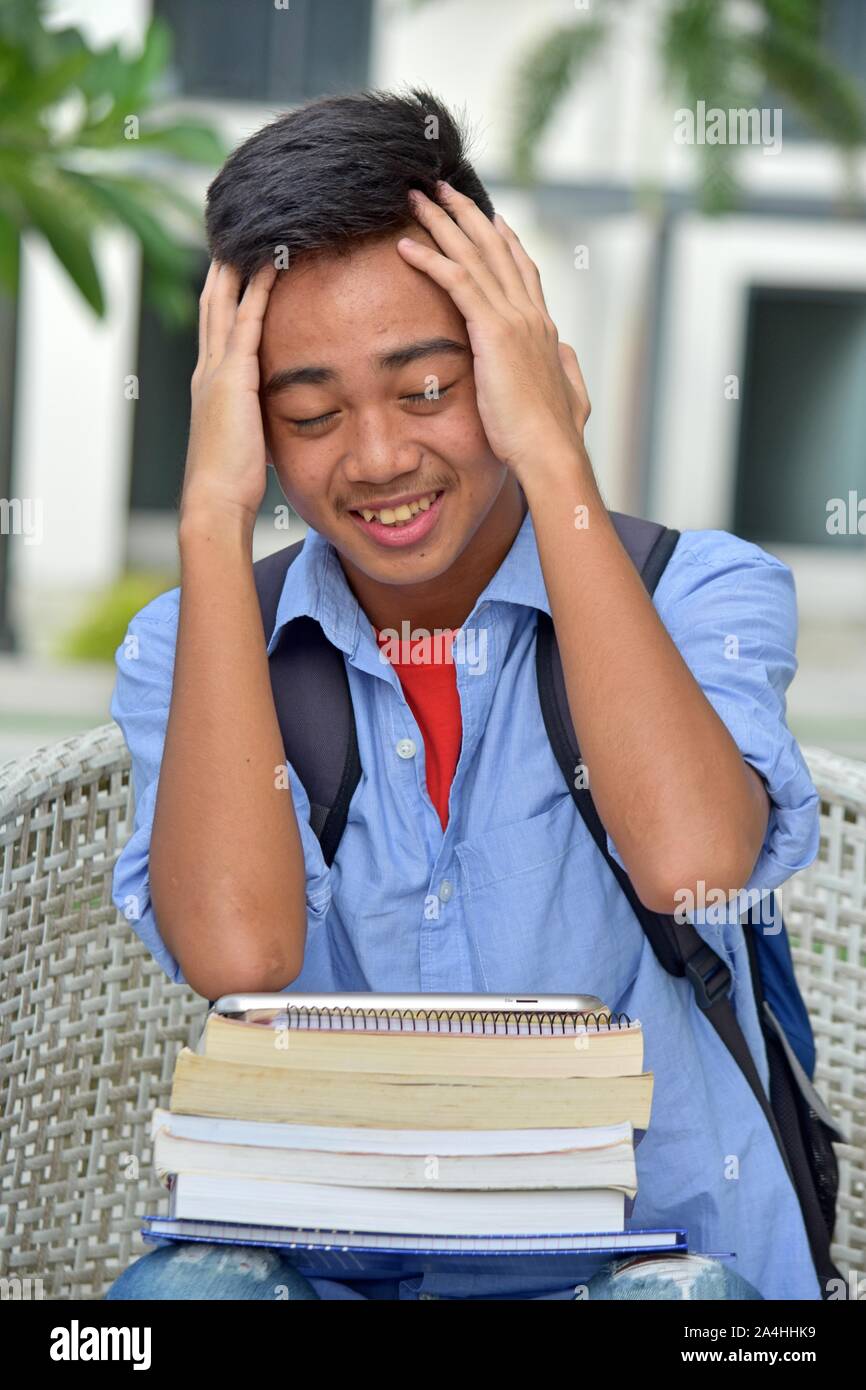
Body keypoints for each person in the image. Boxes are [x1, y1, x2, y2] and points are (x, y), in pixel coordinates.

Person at [106, 88, 820, 1301]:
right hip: (334, 1276)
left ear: (513, 361)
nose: (377, 458)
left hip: (652, 1268)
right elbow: (239, 951)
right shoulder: (197, 638)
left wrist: (554, 460)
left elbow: (688, 854)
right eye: (309, 415)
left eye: (429, 388)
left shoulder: (702, 591)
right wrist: (211, 522)